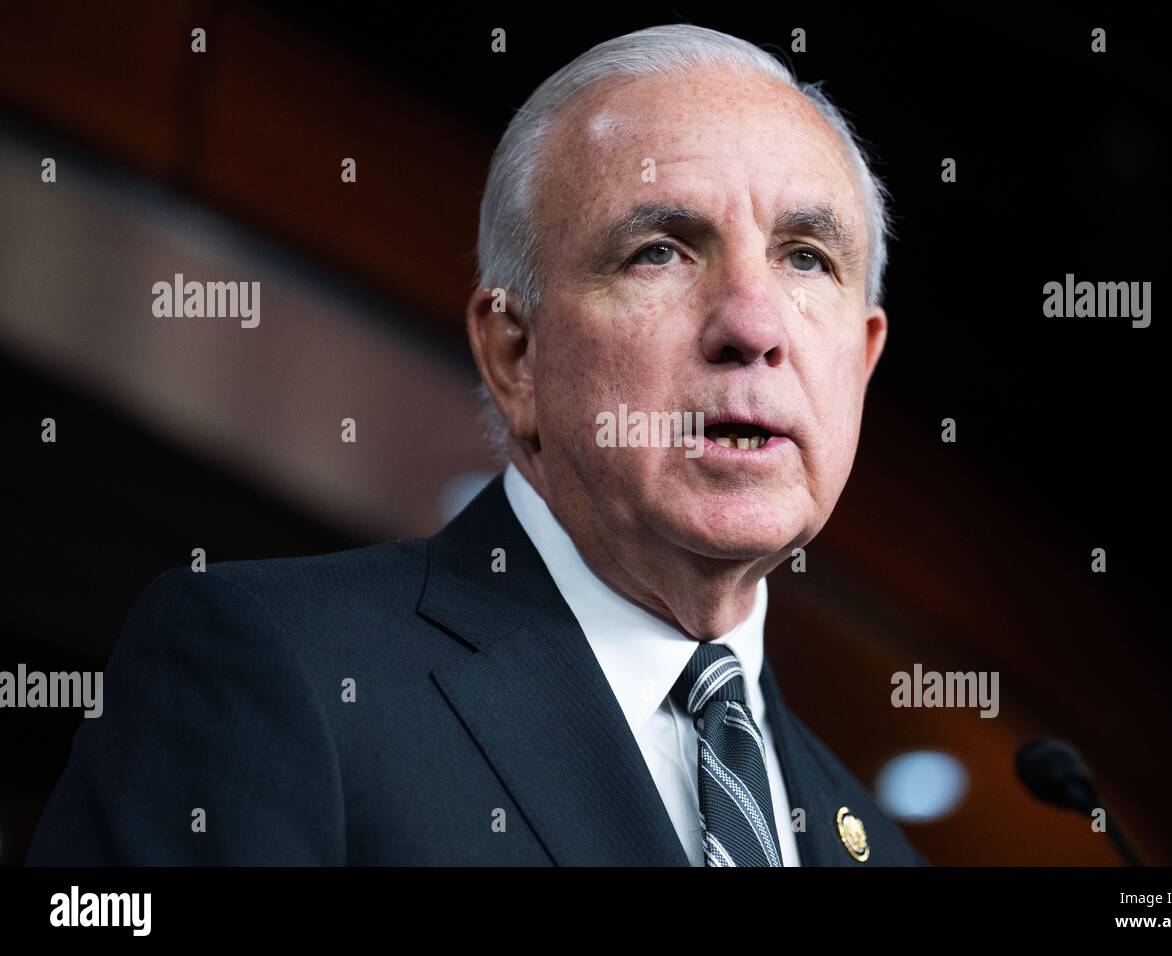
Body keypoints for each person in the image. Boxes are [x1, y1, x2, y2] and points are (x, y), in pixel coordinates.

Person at [26, 23, 924, 867]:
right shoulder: (268, 670)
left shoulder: (882, 851)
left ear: (865, 358)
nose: (753, 324)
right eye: (661, 251)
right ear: (516, 354)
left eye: (807, 257)